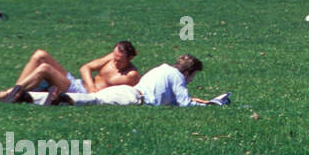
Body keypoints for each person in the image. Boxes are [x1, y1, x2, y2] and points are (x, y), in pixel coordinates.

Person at [40, 55, 226, 107]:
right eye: (193, 76)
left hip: (127, 91)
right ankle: (63, 99)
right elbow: (183, 103)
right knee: (96, 101)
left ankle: (27, 96)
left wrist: (196, 99)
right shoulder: (178, 77)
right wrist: (209, 105)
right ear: (188, 72)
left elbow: (175, 98)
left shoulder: (162, 69)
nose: (192, 80)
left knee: (95, 98)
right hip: (135, 98)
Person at [0, 41, 141, 103]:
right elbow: (85, 68)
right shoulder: (112, 58)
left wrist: (93, 92)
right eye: (114, 57)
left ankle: (4, 95)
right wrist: (91, 85)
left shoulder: (131, 76)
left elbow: (129, 94)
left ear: (131, 57)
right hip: (79, 84)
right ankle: (15, 92)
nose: (115, 61)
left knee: (44, 69)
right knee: (40, 55)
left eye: (119, 60)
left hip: (82, 93)